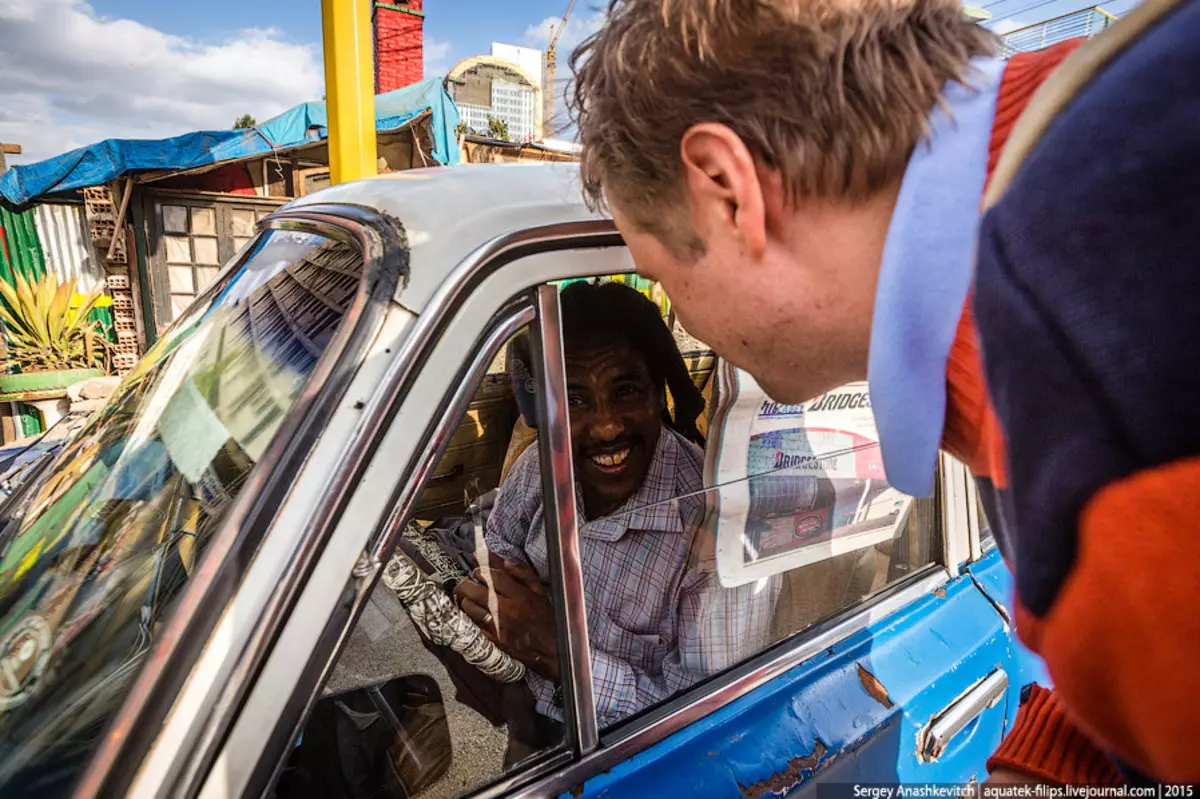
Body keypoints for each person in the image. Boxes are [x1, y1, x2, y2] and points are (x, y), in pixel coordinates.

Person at [565, 0, 1200, 785]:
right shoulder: (1082, 223)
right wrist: (1054, 765)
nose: (686, 319)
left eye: (660, 275)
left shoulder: (1089, 334)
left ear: (728, 192)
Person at [454, 281, 776, 729]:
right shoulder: (542, 464)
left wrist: (555, 647)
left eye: (625, 392)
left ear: (656, 392)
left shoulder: (719, 534)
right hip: (521, 707)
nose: (606, 427)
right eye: (575, 400)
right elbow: (498, 550)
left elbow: (708, 718)